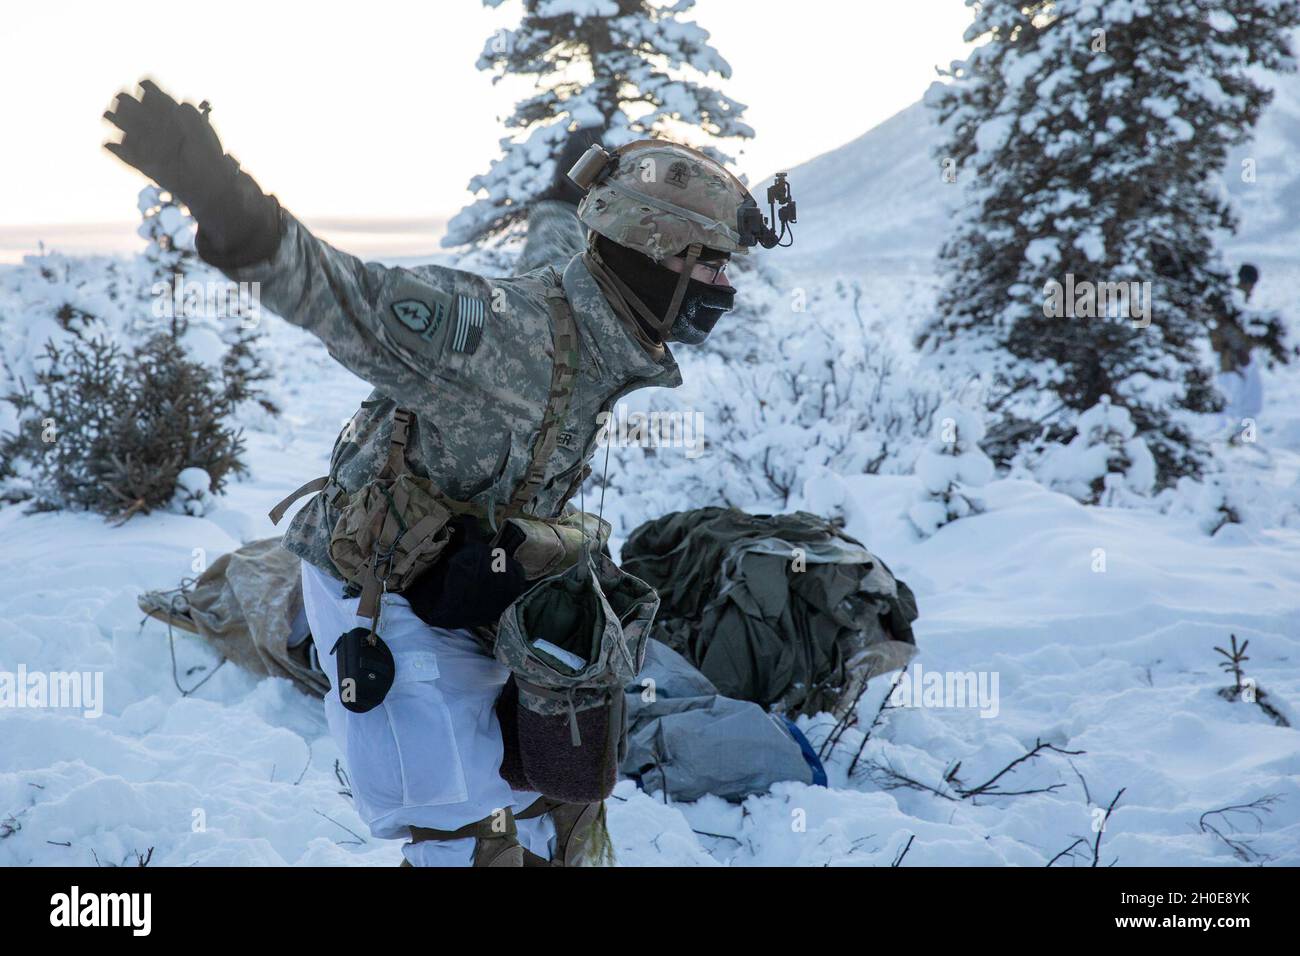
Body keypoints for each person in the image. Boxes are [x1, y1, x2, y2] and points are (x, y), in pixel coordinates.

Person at [104, 78, 770, 866]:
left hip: (482, 577)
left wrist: (564, 190)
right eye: (714, 268)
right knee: (464, 828)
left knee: (567, 804)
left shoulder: (598, 304)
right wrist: (232, 208)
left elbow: (554, 240)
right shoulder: (493, 331)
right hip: (384, 592)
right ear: (657, 259)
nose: (724, 289)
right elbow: (344, 296)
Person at [1211, 263, 1264, 441]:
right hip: (1232, 359)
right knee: (1240, 403)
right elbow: (1223, 327)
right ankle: (1235, 440)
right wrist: (1240, 349)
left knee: (1249, 401)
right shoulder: (1232, 300)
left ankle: (1244, 438)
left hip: (1240, 359)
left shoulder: (1241, 299)